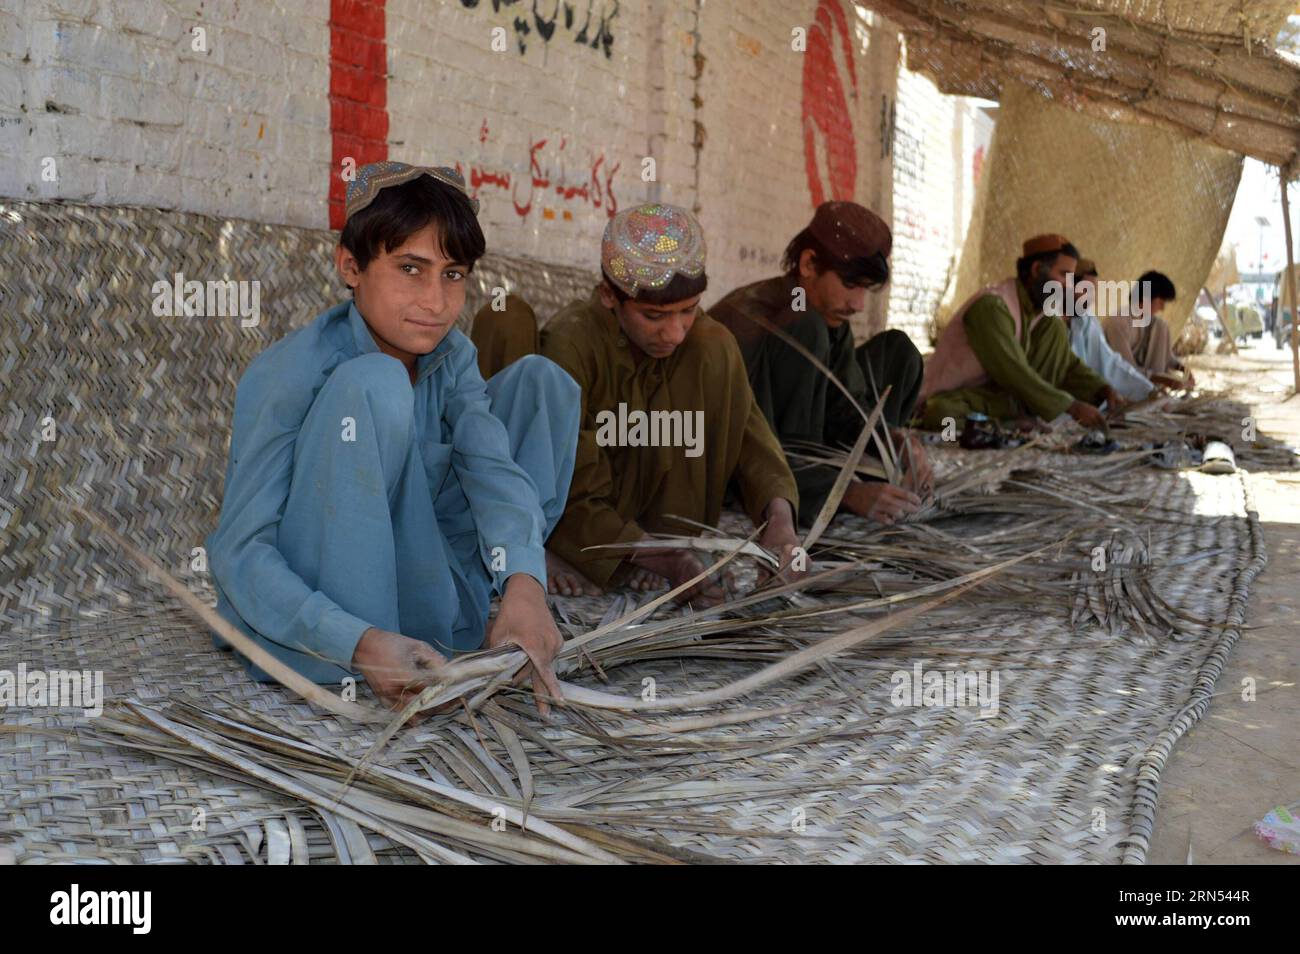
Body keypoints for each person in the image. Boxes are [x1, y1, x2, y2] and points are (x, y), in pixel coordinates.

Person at [207, 161, 581, 714]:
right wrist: (358, 641)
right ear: (351, 266)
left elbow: (491, 469)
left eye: (452, 275)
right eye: (411, 268)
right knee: (375, 383)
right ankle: (375, 646)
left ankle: (482, 615)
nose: (436, 302)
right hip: (323, 619)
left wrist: (525, 582)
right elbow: (240, 553)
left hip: (422, 573)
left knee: (541, 382)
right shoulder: (288, 374)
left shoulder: (451, 354)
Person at [471, 203, 804, 606]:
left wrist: (780, 524)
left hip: (669, 524)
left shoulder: (704, 343)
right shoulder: (572, 342)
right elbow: (570, 485)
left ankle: (653, 545)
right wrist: (667, 559)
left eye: (688, 310)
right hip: (589, 522)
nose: (675, 333)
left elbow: (751, 437)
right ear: (610, 296)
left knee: (714, 344)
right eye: (654, 316)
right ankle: (593, 550)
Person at [710, 201, 930, 527]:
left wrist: (895, 439)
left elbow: (846, 405)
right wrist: (844, 493)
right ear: (809, 263)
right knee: (808, 328)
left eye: (866, 289)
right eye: (850, 284)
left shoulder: (824, 313)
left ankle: (881, 472)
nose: (858, 304)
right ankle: (815, 488)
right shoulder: (760, 318)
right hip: (739, 458)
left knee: (900, 351)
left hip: (804, 439)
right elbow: (750, 443)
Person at [917, 234, 1120, 432]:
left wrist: (1102, 389)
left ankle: (1013, 419)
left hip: (997, 397)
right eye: (1063, 275)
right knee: (941, 415)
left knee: (1055, 328)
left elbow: (1065, 364)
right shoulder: (992, 307)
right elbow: (1014, 372)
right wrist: (1071, 406)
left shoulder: (1041, 315)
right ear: (1037, 269)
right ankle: (1000, 425)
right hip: (955, 398)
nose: (1069, 286)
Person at [1064, 258, 1153, 402]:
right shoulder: (1047, 321)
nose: (1090, 299)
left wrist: (1147, 389)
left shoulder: (1087, 319)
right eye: (1085, 290)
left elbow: (1109, 361)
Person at [1103, 270, 1196, 390]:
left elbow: (1167, 358)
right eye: (1160, 302)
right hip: (1118, 387)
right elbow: (1125, 368)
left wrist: (1183, 369)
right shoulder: (1117, 323)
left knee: (1162, 327)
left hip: (1149, 388)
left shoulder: (1157, 325)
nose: (1162, 308)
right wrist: (1162, 379)